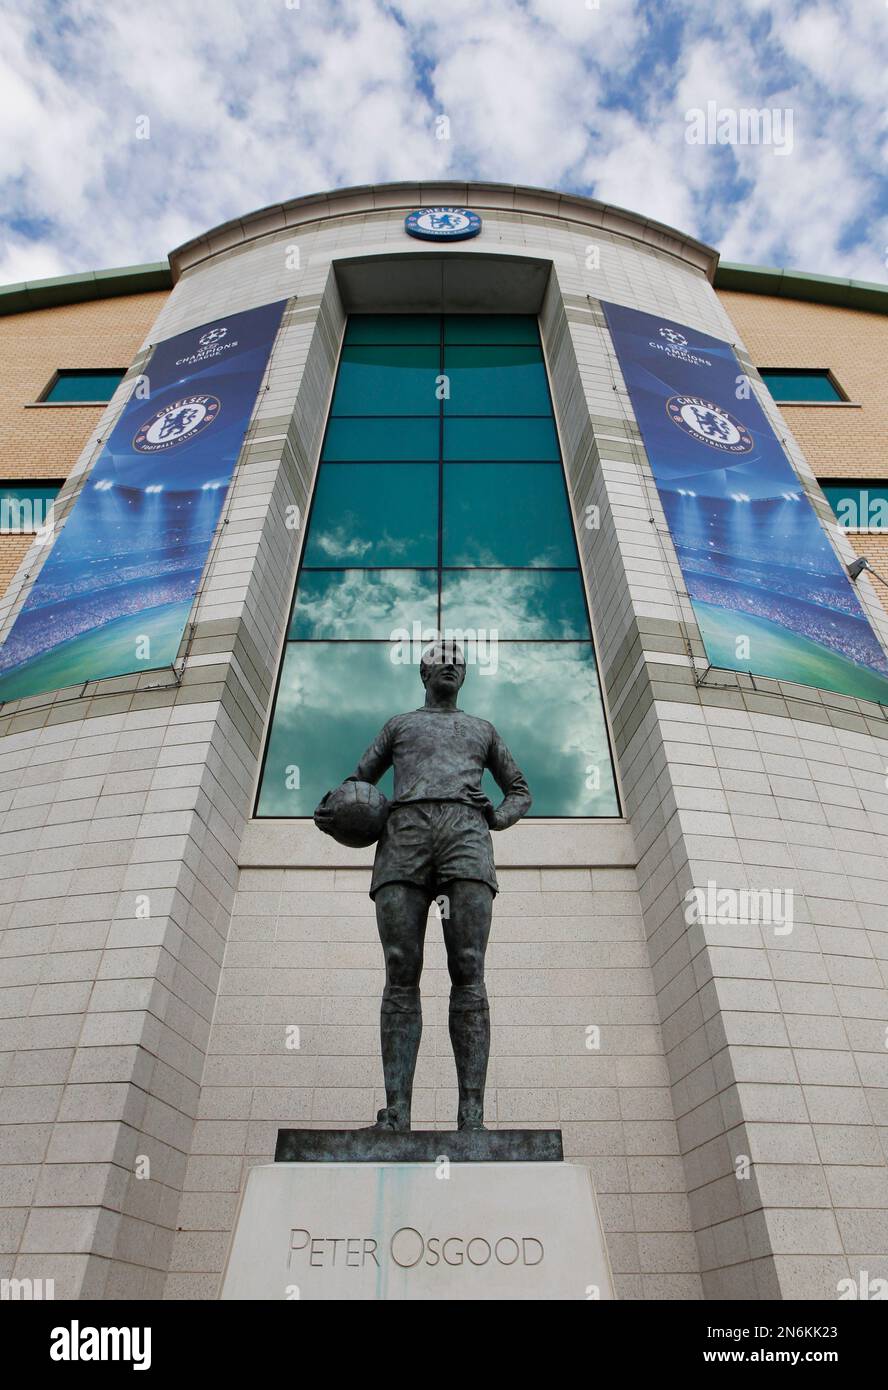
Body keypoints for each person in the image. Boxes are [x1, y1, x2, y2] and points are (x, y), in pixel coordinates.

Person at [315, 641, 531, 1131]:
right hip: (404, 836)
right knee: (399, 966)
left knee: (469, 966)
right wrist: (334, 809)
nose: (450, 665)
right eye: (439, 659)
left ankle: (471, 1115)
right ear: (423, 672)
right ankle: (397, 1112)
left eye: (458, 661)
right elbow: (358, 783)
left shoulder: (482, 729)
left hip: (465, 834)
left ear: (465, 676)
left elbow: (520, 789)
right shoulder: (399, 725)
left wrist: (496, 815)